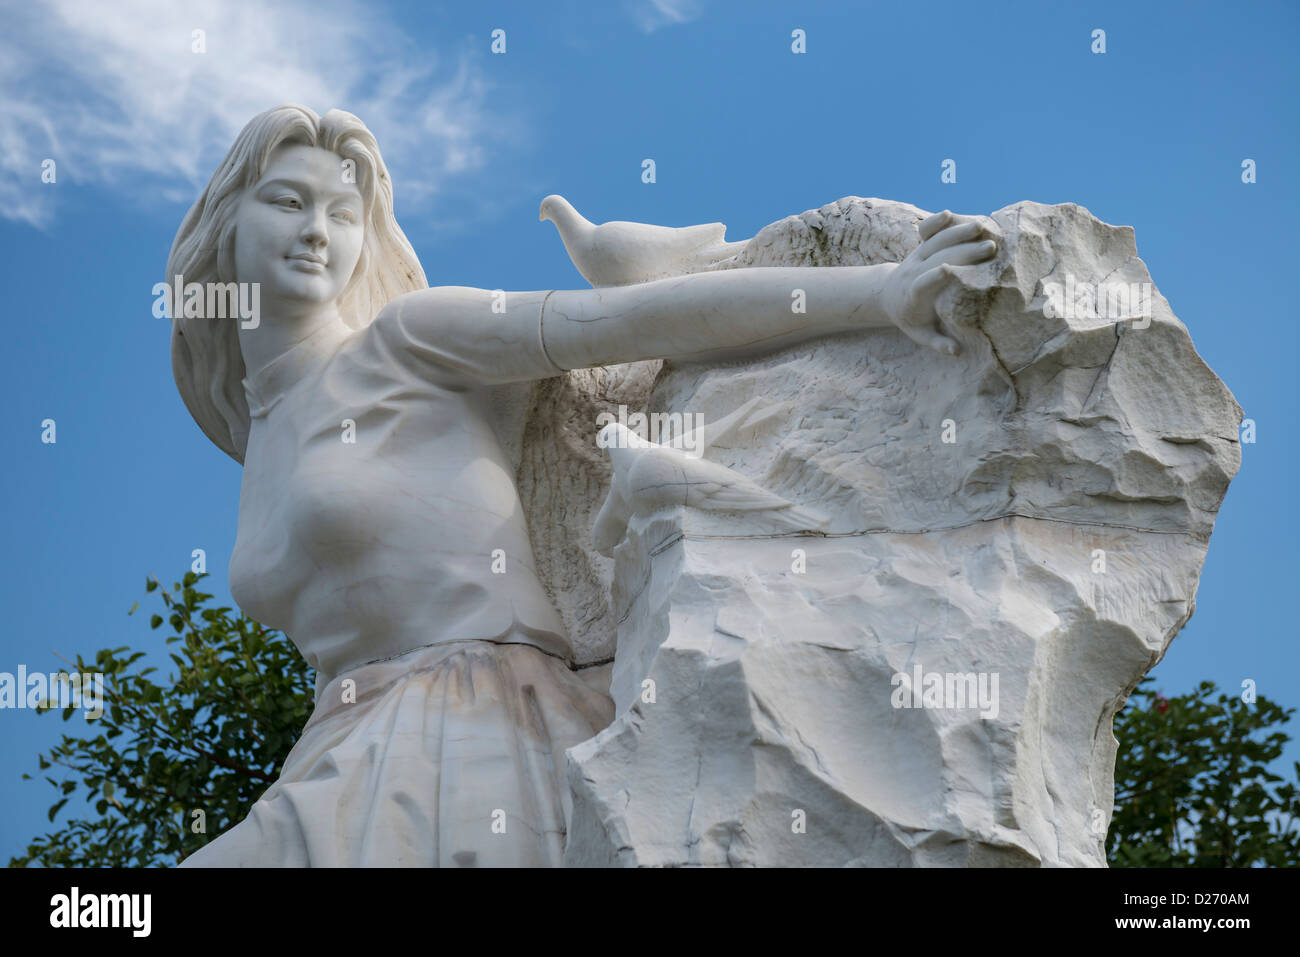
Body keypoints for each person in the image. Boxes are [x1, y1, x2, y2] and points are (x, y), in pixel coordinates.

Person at [169, 104, 997, 867]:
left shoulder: (407, 342)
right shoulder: (260, 435)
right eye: (287, 202)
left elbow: (640, 318)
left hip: (462, 734)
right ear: (225, 223)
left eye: (342, 213)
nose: (317, 231)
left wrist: (882, 295)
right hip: (332, 748)